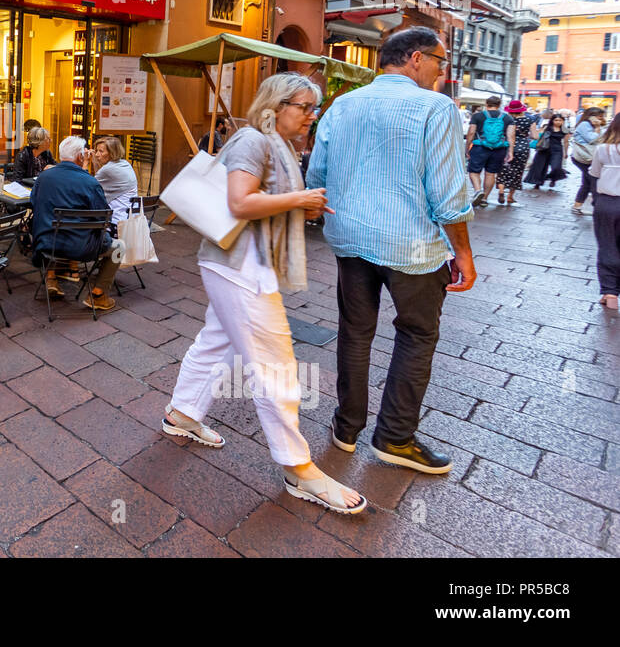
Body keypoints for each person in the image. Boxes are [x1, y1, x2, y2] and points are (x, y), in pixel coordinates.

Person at [164, 73, 365, 515]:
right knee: (275, 365)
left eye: (315, 108)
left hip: (237, 262)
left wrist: (302, 201)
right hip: (239, 267)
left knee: (216, 343)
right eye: (305, 106)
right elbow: (240, 202)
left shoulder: (273, 143)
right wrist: (298, 200)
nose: (312, 115)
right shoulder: (254, 140)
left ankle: (182, 413)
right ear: (277, 105)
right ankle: (299, 468)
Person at [307, 27, 475, 476]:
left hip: (350, 238)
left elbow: (316, 175)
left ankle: (346, 430)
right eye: (441, 61)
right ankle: (395, 438)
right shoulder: (436, 108)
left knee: (355, 330)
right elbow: (448, 193)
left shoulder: (342, 105)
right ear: (416, 58)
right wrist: (463, 252)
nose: (442, 72)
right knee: (417, 334)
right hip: (411, 244)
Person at [29, 135, 120, 311]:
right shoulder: (90, 182)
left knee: (57, 228)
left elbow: (33, 203)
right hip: (79, 247)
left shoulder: (43, 177)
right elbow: (103, 218)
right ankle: (98, 295)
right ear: (80, 157)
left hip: (46, 244)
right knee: (119, 247)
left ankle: (51, 277)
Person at [589, 114, 620, 309]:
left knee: (607, 245)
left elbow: (594, 174)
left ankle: (610, 292)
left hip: (607, 203)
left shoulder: (603, 150)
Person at [465, 95, 515, 207]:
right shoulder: (507, 118)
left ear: (486, 104)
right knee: (490, 174)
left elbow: (471, 132)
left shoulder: (478, 116)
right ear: (499, 105)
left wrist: (467, 147)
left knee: (474, 171)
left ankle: (478, 191)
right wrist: (510, 152)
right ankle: (484, 199)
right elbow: (511, 136)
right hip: (499, 149)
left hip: (479, 147)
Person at [87, 136, 139, 223]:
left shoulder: (108, 169)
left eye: (101, 151)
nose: (96, 154)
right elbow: (98, 180)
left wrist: (85, 163)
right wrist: (95, 163)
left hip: (115, 220)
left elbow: (88, 186)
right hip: (130, 217)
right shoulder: (125, 163)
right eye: (96, 151)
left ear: (112, 152)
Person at [495, 100, 538, 205]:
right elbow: (535, 136)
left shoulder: (506, 119)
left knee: (503, 169)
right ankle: (510, 196)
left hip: (506, 145)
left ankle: (501, 191)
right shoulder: (530, 120)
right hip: (523, 147)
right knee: (518, 171)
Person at [570, 107, 606, 213]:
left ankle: (577, 206)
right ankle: (598, 208)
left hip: (589, 157)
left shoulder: (591, 125)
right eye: (600, 116)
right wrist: (597, 128)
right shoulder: (584, 124)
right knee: (593, 181)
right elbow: (592, 139)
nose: (601, 118)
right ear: (592, 116)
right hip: (583, 157)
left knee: (587, 182)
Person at [524, 113, 569, 189]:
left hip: (557, 150)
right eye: (556, 120)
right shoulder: (547, 128)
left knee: (556, 167)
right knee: (539, 167)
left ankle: (553, 179)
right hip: (544, 149)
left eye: (560, 120)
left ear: (563, 121)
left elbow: (566, 142)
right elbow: (538, 135)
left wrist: (566, 152)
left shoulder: (565, 130)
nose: (558, 122)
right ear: (552, 120)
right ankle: (537, 182)